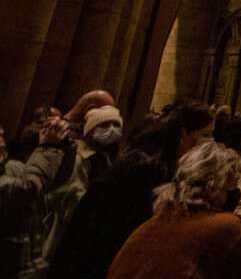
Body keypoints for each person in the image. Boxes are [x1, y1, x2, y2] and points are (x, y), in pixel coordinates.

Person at [48, 100, 215, 279]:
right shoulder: (143, 167)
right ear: (184, 132)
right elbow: (116, 225)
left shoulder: (162, 164)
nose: (210, 141)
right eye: (206, 134)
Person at [106, 142, 241, 279]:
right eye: (233, 187)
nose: (236, 193)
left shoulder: (156, 220)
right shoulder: (226, 227)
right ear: (212, 187)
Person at [41, 105, 124, 268]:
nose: (111, 130)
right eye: (105, 125)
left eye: (115, 125)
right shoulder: (79, 157)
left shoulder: (108, 157)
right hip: (67, 231)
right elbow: (69, 196)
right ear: (91, 130)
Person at [0, 116, 73, 279]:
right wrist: (48, 148)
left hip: (23, 264)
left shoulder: (11, 167)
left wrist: (63, 144)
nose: (1, 131)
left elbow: (52, 181)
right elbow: (27, 189)